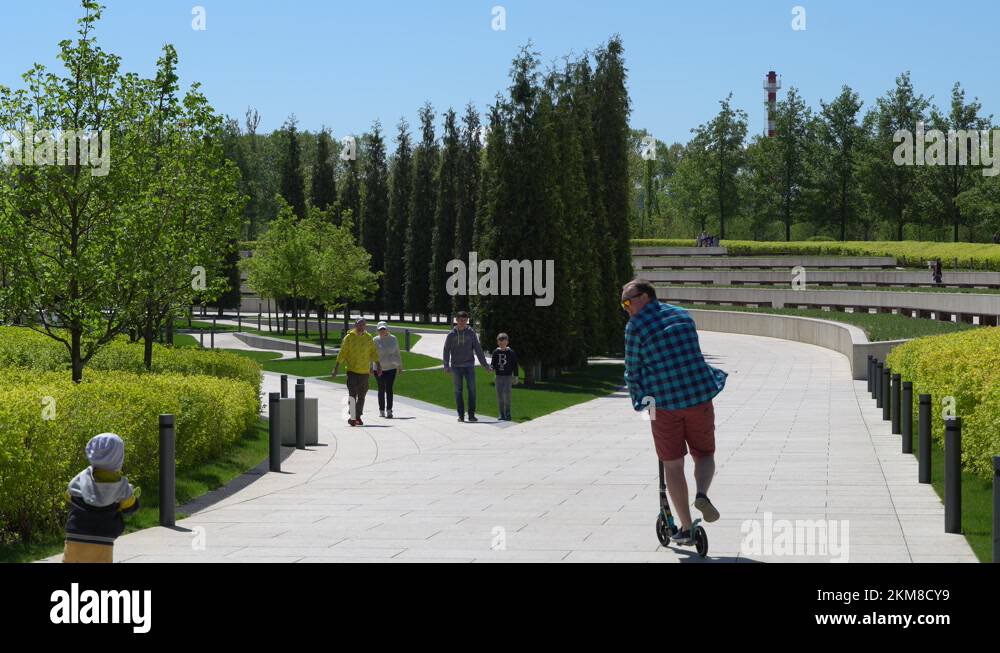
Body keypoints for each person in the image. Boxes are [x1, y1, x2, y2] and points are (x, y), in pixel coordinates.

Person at [622, 278, 727, 546]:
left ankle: (687, 527)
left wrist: (640, 404)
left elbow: (633, 372)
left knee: (673, 464)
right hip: (699, 396)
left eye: (627, 301)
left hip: (665, 404)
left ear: (645, 297)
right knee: (704, 454)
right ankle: (702, 493)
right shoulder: (683, 315)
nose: (625, 308)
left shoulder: (635, 327)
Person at [63, 433, 140, 563]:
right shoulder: (121, 485)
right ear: (119, 457)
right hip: (103, 539)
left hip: (75, 535)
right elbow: (130, 507)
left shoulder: (80, 478)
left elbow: (68, 496)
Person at [442, 311, 492, 422]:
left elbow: (478, 350)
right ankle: (460, 415)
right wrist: (446, 365)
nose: (462, 322)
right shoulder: (451, 334)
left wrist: (485, 365)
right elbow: (446, 350)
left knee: (472, 390)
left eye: (464, 320)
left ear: (467, 321)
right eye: (460, 320)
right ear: (456, 320)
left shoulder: (471, 333)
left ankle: (471, 415)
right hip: (456, 367)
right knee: (458, 391)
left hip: (469, 366)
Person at [333, 318, 381, 426]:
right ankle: (353, 417)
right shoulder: (349, 338)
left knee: (362, 395)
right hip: (352, 371)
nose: (361, 327)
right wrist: (336, 367)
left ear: (365, 326)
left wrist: (378, 365)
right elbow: (342, 353)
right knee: (352, 395)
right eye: (359, 325)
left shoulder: (369, 338)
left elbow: (374, 352)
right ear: (355, 325)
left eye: (363, 325)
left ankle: (357, 416)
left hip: (364, 372)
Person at [374, 321, 402, 418]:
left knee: (389, 389)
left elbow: (397, 352)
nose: (382, 331)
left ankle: (389, 410)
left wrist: (400, 366)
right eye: (380, 329)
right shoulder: (375, 340)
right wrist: (369, 368)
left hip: (391, 368)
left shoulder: (393, 339)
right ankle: (381, 410)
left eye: (384, 329)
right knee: (381, 388)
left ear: (387, 329)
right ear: (377, 330)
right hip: (378, 368)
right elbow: (371, 355)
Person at [490, 332, 519, 421]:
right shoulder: (496, 352)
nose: (502, 344)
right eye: (500, 342)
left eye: (504, 342)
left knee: (507, 395)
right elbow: (493, 364)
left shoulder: (511, 352)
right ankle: (501, 414)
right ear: (498, 342)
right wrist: (491, 368)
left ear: (507, 342)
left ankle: (508, 413)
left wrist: (516, 376)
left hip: (508, 377)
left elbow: (515, 365)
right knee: (499, 396)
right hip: (498, 376)